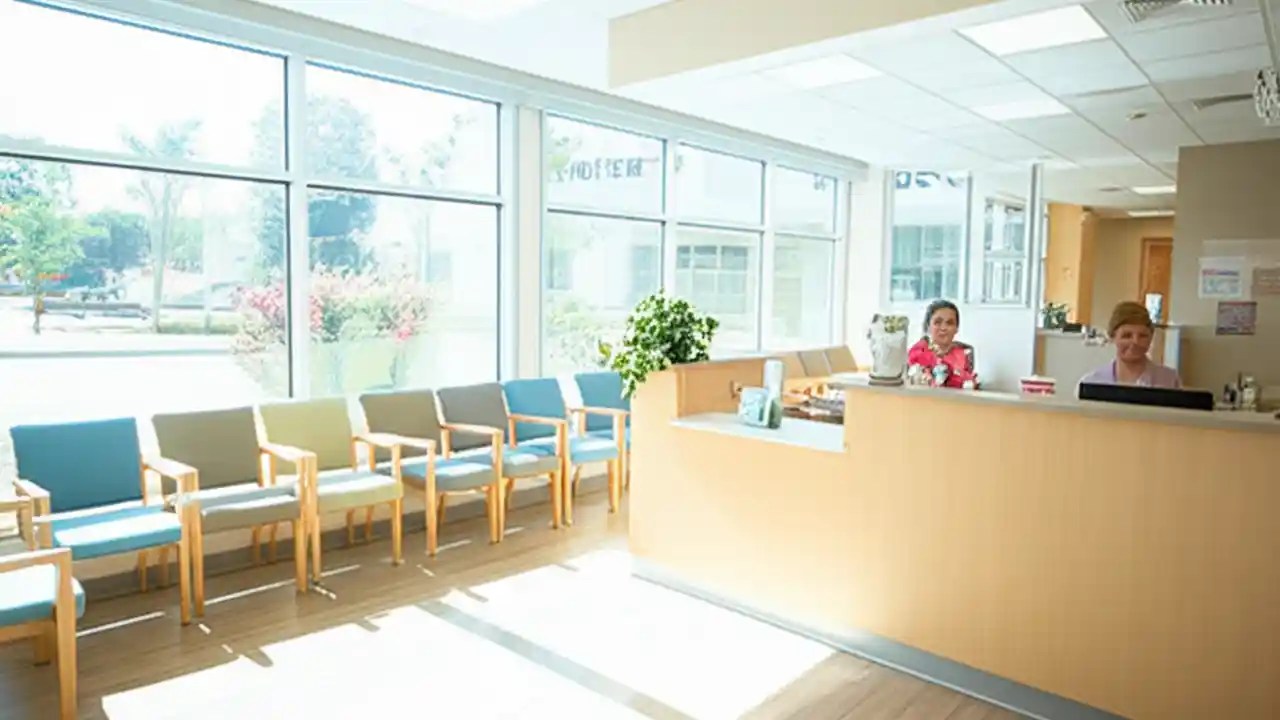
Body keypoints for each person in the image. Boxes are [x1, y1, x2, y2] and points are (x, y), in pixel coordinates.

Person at [1079, 301, 1181, 389]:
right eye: (1127, 336)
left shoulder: (1169, 380)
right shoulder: (1092, 382)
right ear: (1113, 337)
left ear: (1151, 337)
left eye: (1142, 335)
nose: (1135, 342)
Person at [906, 299, 977, 388]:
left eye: (949, 323)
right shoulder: (918, 351)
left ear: (956, 328)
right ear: (928, 326)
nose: (943, 328)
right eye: (937, 322)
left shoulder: (965, 352)